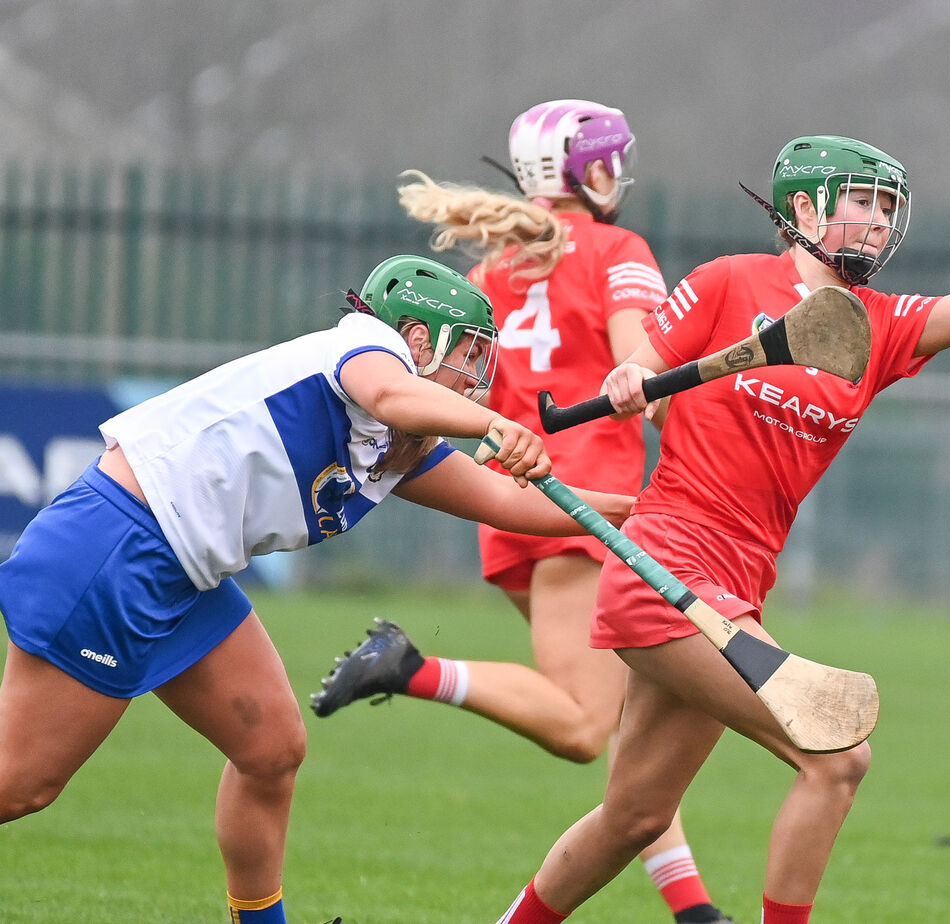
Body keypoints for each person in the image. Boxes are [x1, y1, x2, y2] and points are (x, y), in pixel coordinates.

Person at [485, 137, 950, 924]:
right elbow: (647, 369)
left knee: (633, 817)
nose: (879, 223)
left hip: (736, 586)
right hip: (662, 568)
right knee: (836, 757)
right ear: (803, 209)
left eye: (890, 208)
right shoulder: (728, 281)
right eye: (863, 203)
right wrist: (632, 379)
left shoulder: (882, 325)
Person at [0, 254, 634, 924]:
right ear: (417, 337)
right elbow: (390, 392)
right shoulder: (366, 345)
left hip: (183, 569)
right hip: (117, 548)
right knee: (21, 786)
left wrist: (646, 510)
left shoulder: (397, 442)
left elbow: (511, 503)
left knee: (271, 749)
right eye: (467, 356)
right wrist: (492, 425)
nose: (476, 382)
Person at [310, 100, 734, 924]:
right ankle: (411, 668)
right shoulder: (620, 251)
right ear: (593, 172)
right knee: (584, 722)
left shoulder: (491, 272)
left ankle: (693, 909)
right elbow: (636, 375)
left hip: (510, 505)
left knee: (622, 715)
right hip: (587, 508)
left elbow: (461, 395)